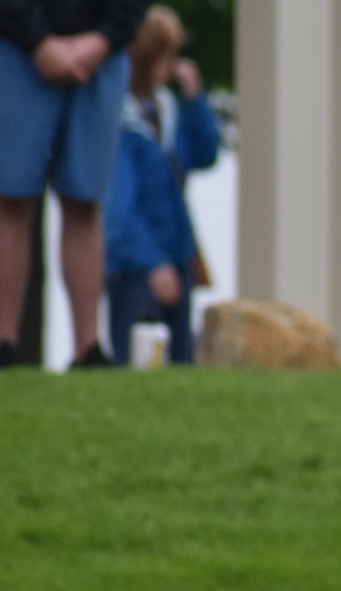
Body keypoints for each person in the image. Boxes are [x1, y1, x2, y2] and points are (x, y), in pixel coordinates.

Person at [0, 0, 146, 370]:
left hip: (103, 53)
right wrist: (38, 41)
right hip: (16, 48)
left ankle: (88, 347)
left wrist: (102, 40)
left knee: (85, 200)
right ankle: (5, 345)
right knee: (11, 199)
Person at [103, 5, 221, 366]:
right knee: (138, 356)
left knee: (180, 357)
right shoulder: (120, 124)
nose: (173, 65)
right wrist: (152, 263)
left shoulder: (166, 111)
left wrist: (196, 99)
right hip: (137, 266)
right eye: (167, 56)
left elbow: (204, 153)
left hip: (177, 254)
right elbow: (118, 209)